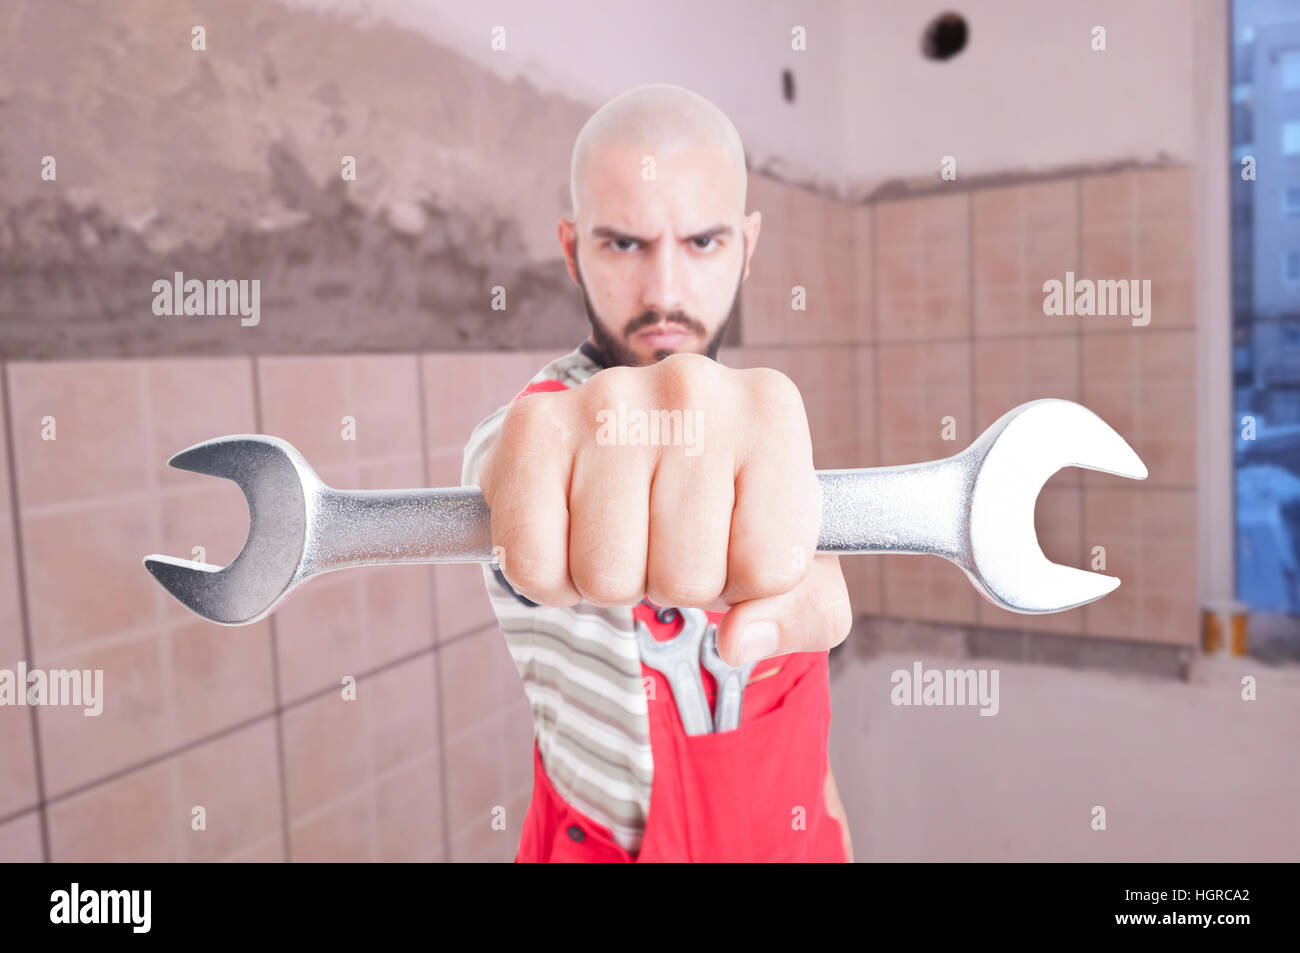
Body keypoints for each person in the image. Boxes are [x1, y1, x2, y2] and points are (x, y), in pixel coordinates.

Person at [462, 83, 854, 862]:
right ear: (573, 249)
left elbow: (810, 751)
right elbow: (512, 470)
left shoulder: (767, 435)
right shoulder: (534, 430)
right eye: (624, 244)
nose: (665, 292)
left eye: (702, 243)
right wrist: (527, 483)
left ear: (747, 244)